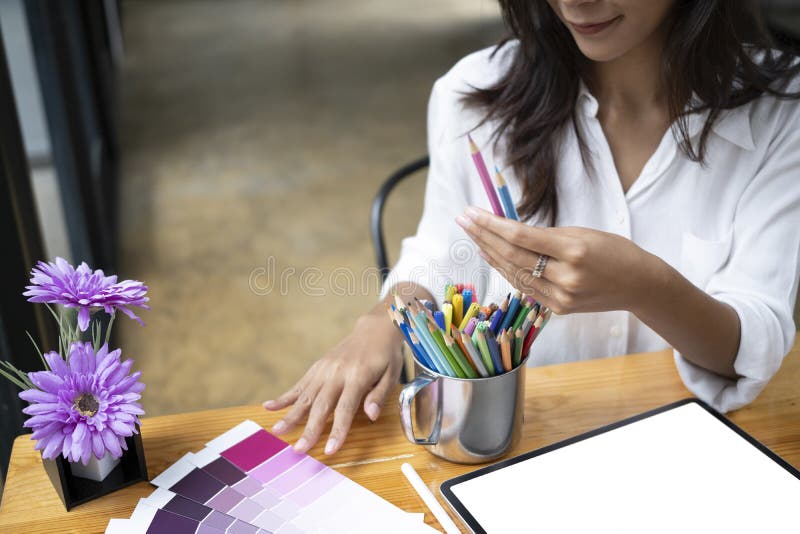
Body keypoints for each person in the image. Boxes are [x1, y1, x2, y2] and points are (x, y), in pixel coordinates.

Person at [264, 0, 800, 455]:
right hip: (518, 444)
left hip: (692, 447)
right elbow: (440, 259)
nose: (574, 2)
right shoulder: (472, 93)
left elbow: (752, 346)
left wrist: (646, 286)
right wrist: (381, 322)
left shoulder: (782, 111)